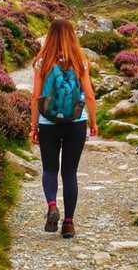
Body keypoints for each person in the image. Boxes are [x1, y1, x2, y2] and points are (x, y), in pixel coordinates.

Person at [30, 18, 98, 239]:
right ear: (72, 36)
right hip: (76, 123)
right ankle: (68, 224)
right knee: (69, 173)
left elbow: (35, 96)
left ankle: (52, 206)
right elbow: (89, 95)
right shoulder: (80, 61)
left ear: (50, 36)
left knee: (50, 170)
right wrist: (93, 122)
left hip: (48, 123)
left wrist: (34, 126)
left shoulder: (42, 62)